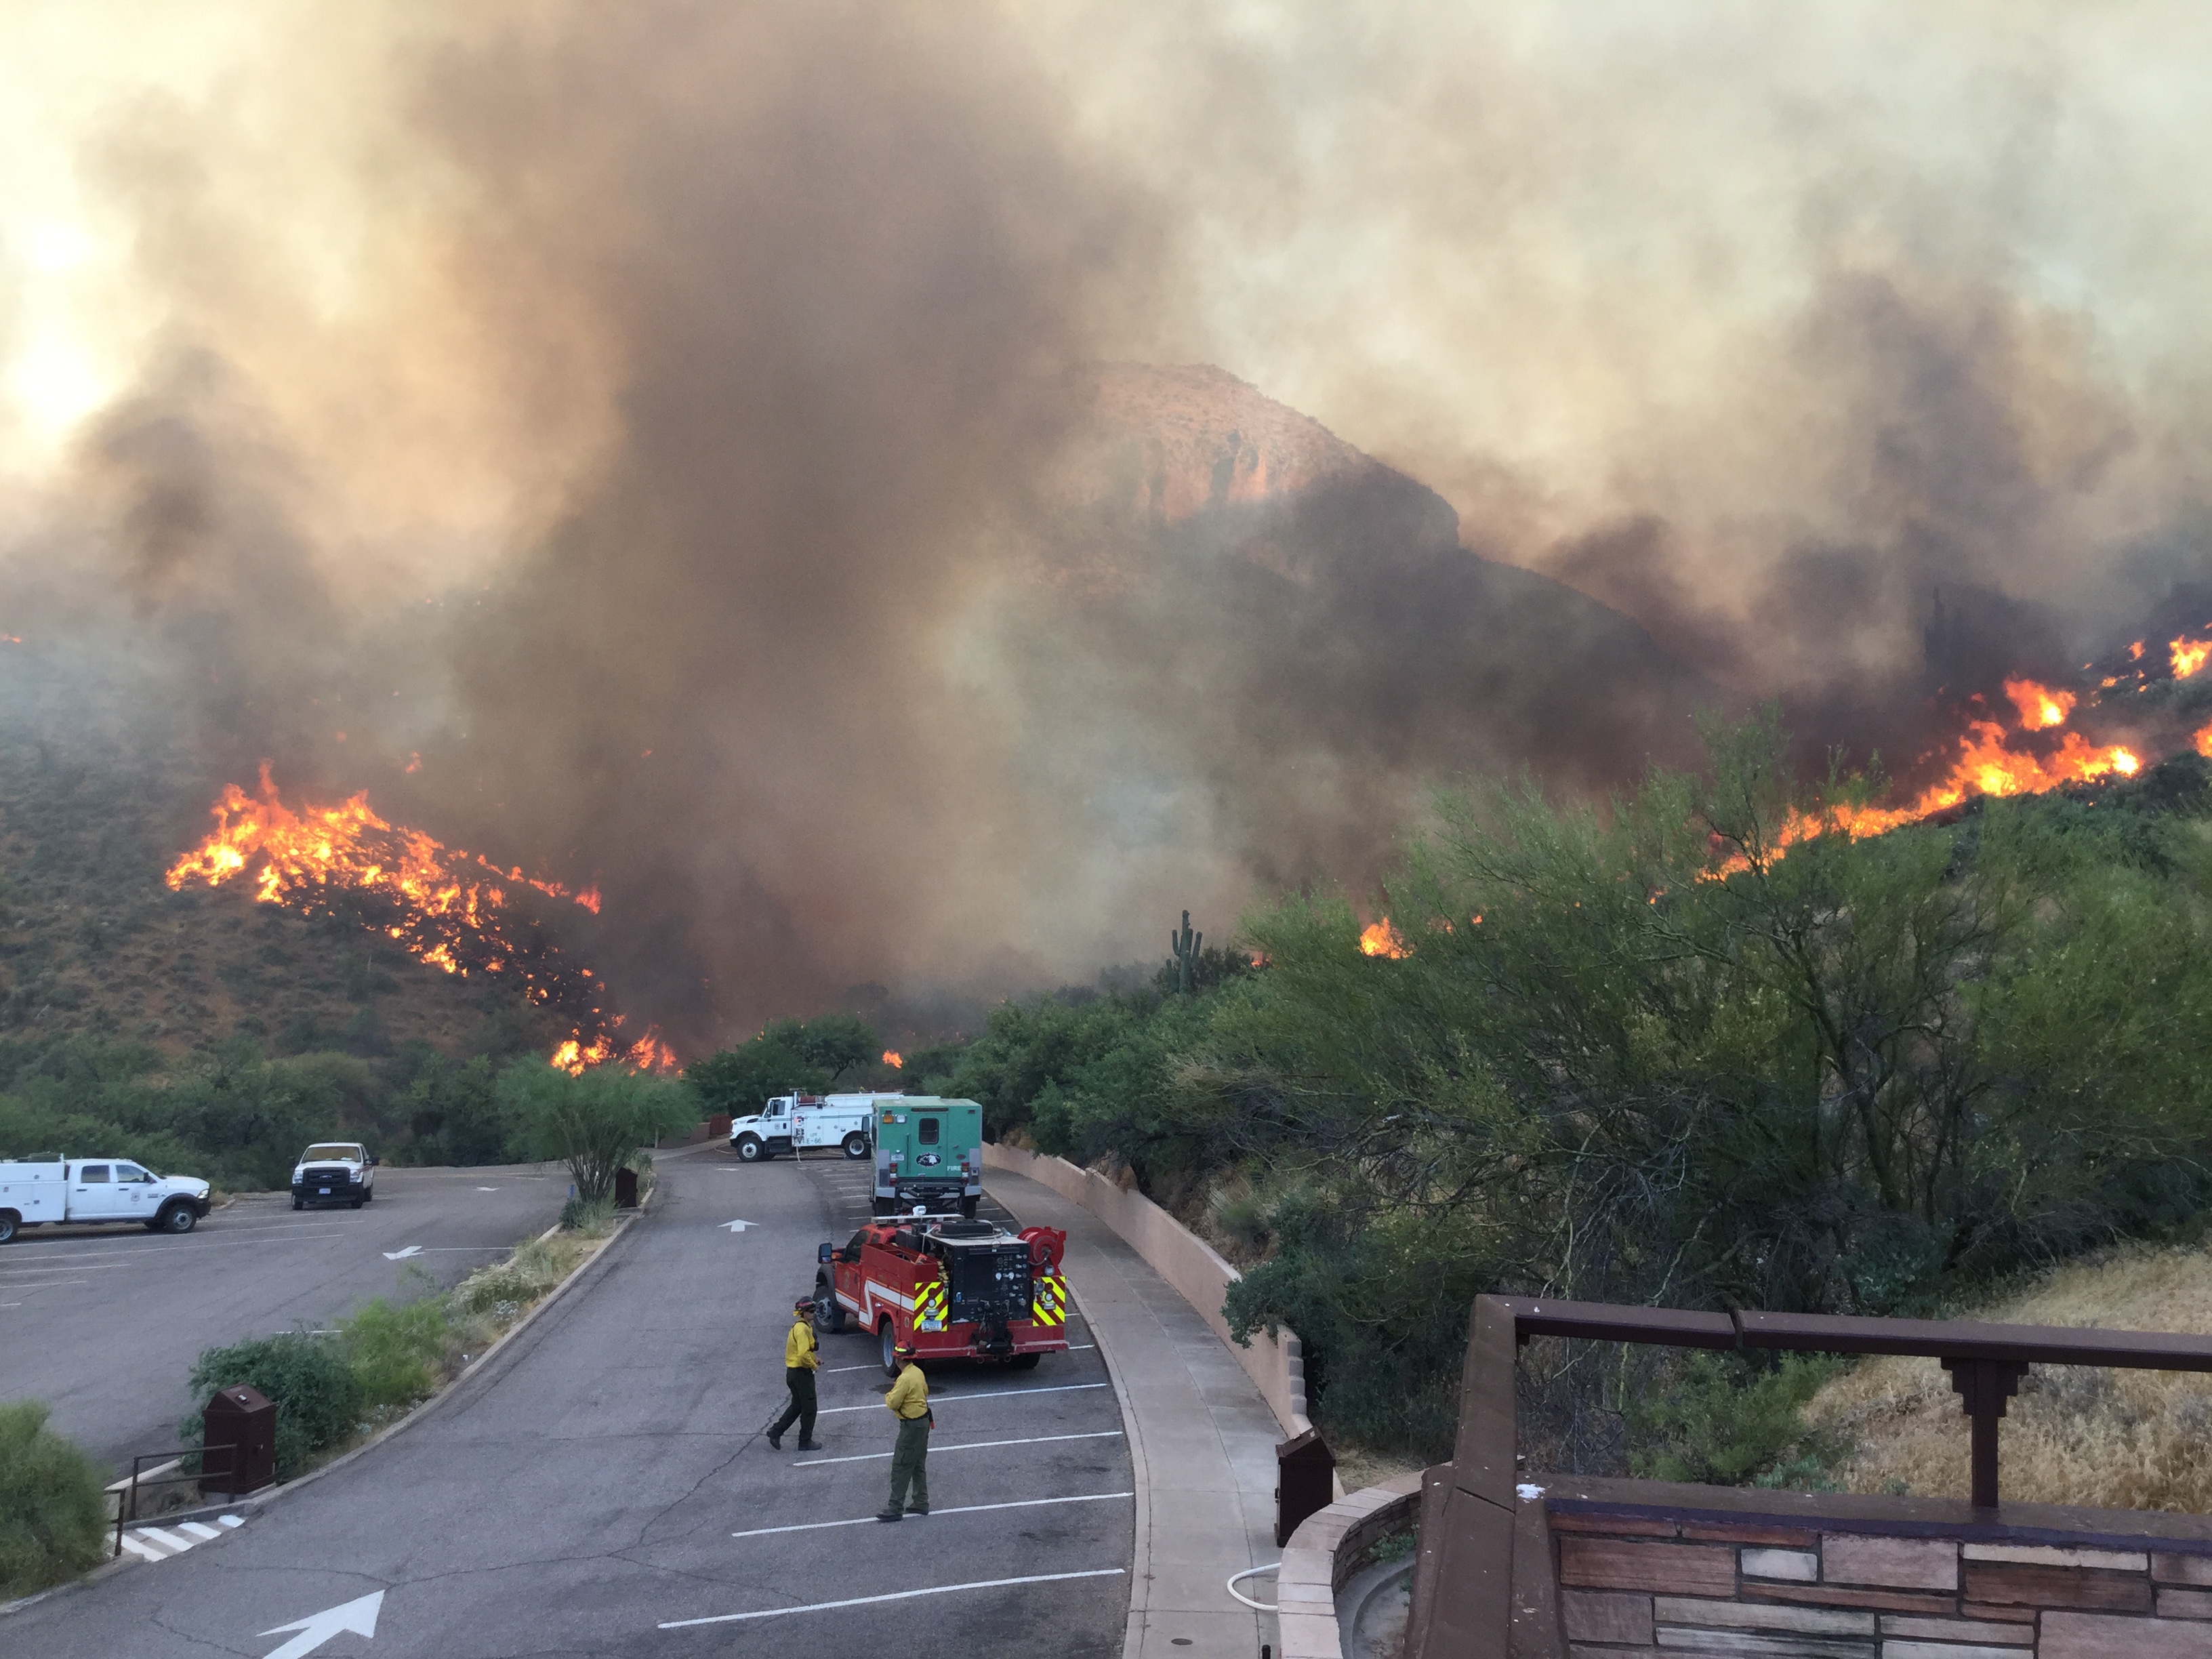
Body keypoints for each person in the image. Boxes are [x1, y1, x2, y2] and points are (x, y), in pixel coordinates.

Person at [876, 1341, 931, 1520]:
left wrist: (888, 1395)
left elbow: (893, 1403)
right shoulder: (918, 1372)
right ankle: (921, 1502)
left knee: (901, 1465)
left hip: (911, 1427)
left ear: (899, 1359)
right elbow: (925, 1391)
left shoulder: (904, 1379)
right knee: (918, 1465)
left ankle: (895, 1507)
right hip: (923, 1423)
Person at [766, 1297, 821, 1451]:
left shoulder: (799, 1327)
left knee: (797, 1405)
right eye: (811, 1311)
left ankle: (775, 1432)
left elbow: (804, 1351)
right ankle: (805, 1441)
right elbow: (803, 1354)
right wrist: (813, 1366)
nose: (814, 1313)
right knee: (810, 1408)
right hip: (801, 1374)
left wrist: (815, 1359)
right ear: (803, 1313)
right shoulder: (803, 1329)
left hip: (792, 1373)